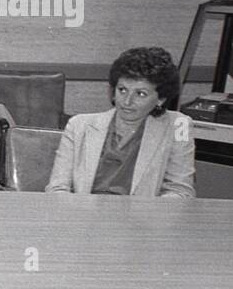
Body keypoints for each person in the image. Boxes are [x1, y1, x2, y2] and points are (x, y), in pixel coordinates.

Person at [46, 46, 194, 198]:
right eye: (122, 90)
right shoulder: (78, 125)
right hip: (84, 214)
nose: (127, 101)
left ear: (161, 99)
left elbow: (180, 190)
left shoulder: (179, 125)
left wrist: (150, 216)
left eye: (140, 94)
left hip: (142, 218)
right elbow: (57, 188)